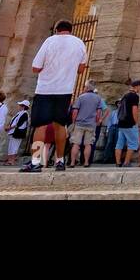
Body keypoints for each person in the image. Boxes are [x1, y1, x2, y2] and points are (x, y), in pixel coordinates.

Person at [21, 19, 88, 173]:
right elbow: (81, 69)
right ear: (71, 30)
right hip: (65, 90)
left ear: (56, 29)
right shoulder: (79, 44)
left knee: (41, 126)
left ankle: (36, 161)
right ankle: (60, 161)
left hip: (45, 89)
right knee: (60, 125)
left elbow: (36, 67)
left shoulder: (50, 41)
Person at [70, 84, 104, 167]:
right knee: (88, 144)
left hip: (79, 123)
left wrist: (74, 121)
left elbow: (75, 111)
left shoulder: (81, 97)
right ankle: (86, 162)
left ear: (87, 88)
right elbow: (98, 112)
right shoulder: (98, 98)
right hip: (91, 124)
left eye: (85, 87)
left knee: (76, 144)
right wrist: (96, 121)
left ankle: (72, 162)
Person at [114, 80, 140, 166]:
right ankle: (126, 162)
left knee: (119, 143)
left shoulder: (125, 96)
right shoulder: (135, 96)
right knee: (133, 143)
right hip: (130, 123)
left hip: (121, 122)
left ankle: (118, 162)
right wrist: (136, 122)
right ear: (136, 86)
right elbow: (134, 110)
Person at [5, 100, 30, 165]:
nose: (19, 106)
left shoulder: (25, 114)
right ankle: (9, 160)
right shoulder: (19, 113)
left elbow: (18, 124)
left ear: (24, 106)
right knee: (11, 146)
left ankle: (12, 161)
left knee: (14, 146)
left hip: (17, 132)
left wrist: (9, 128)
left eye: (21, 105)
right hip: (13, 132)